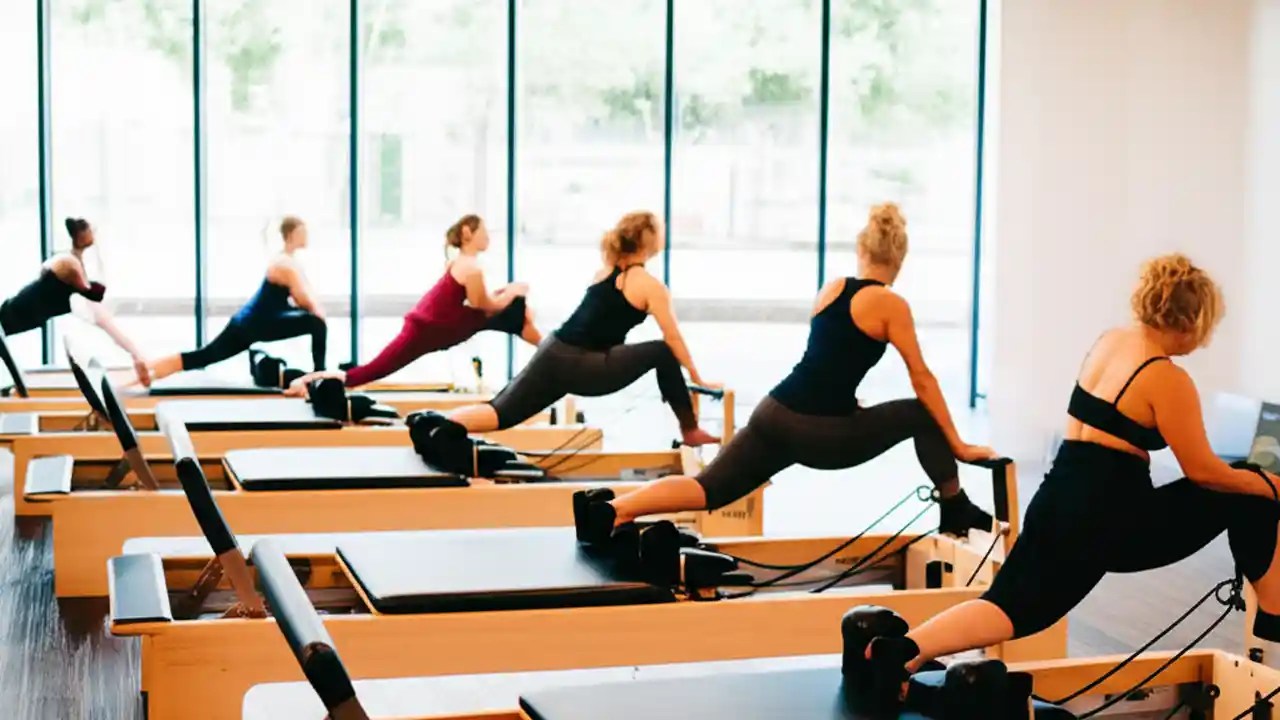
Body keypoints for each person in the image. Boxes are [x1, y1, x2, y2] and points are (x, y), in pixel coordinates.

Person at [857, 253, 1280, 707]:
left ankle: (899, 651)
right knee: (1251, 490)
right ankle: (1275, 616)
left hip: (1058, 496)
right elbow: (1204, 472)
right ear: (1191, 319)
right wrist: (1272, 485)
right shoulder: (1166, 378)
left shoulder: (1110, 342)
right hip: (1112, 521)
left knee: (1008, 606)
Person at [579, 203, 996, 539]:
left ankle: (614, 508)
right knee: (918, 413)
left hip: (774, 412)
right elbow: (922, 378)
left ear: (862, 251)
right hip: (819, 433)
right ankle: (954, 506)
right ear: (900, 259)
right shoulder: (891, 304)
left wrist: (847, 400)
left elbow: (829, 362)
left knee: (708, 489)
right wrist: (957, 444)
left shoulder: (832, 289)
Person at [446, 210, 718, 447]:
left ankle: (439, 424)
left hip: (553, 350)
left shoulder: (605, 272)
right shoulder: (650, 286)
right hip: (586, 366)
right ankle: (690, 429)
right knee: (661, 352)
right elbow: (673, 338)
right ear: (649, 240)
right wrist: (697, 377)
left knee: (500, 412)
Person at [286, 214, 538, 393]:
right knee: (368, 372)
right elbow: (484, 304)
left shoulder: (462, 263)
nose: (488, 238)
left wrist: (508, 294)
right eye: (484, 233)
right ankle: (307, 381)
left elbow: (483, 303)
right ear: (468, 234)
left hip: (438, 325)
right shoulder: (470, 268)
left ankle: (550, 344)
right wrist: (512, 292)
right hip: (433, 328)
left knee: (516, 314)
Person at [150, 215, 327, 380]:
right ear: (291, 235)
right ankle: (320, 374)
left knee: (204, 356)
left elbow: (298, 301)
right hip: (252, 325)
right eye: (303, 232)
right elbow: (305, 300)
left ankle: (149, 370)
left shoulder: (287, 261)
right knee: (317, 323)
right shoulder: (284, 264)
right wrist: (318, 313)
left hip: (257, 323)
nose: (307, 236)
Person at [0, 217, 150, 385]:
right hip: (9, 318)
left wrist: (136, 354)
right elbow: (102, 316)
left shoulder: (67, 264)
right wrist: (136, 354)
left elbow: (100, 310)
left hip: (11, 319)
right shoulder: (71, 269)